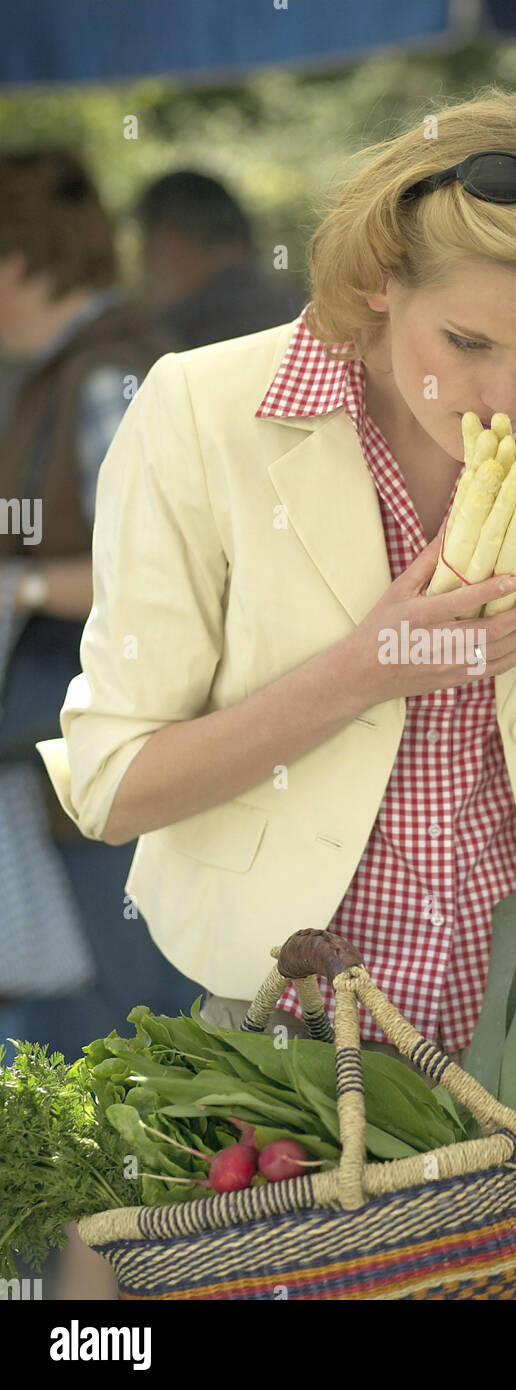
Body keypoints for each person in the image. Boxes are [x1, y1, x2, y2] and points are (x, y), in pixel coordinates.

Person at [37, 85, 516, 1109]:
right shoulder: (200, 410)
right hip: (286, 1037)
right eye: (469, 343)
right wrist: (365, 670)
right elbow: (115, 789)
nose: (505, 397)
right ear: (380, 280)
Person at [0, 149, 196, 1058]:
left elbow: (154, 568)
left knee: (117, 1033)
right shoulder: (73, 365)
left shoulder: (105, 374)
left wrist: (23, 584)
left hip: (115, 757)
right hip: (84, 764)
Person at [134, 169, 307, 349]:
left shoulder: (167, 338)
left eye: (146, 249)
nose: (145, 272)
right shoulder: (305, 313)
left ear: (170, 241)